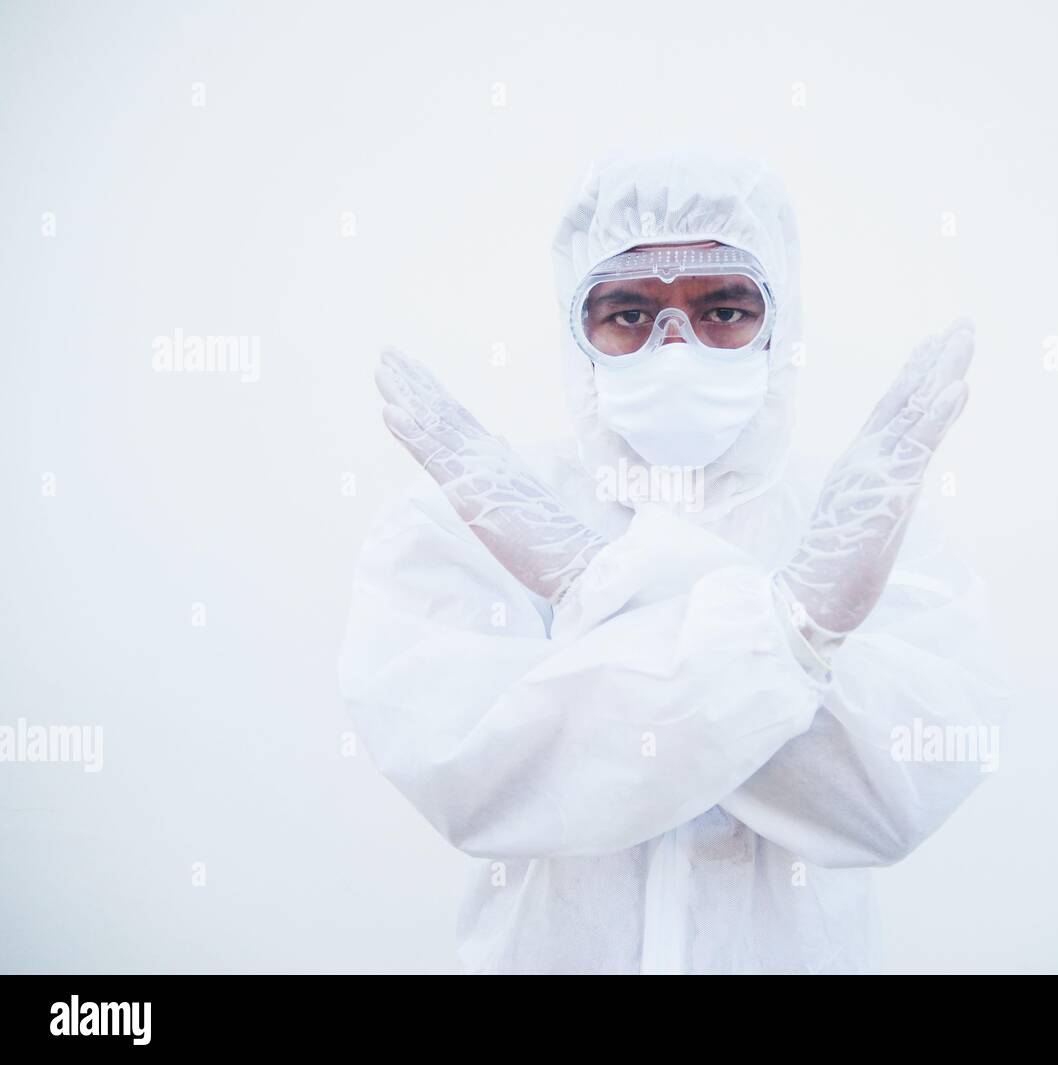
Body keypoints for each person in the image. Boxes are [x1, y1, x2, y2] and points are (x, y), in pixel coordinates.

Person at [338, 150, 1009, 974]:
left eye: (725, 307)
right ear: (574, 330)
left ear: (781, 325)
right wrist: (793, 638)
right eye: (627, 312)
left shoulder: (865, 520)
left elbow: (882, 807)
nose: (676, 344)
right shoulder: (472, 516)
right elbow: (482, 784)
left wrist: (600, 599)